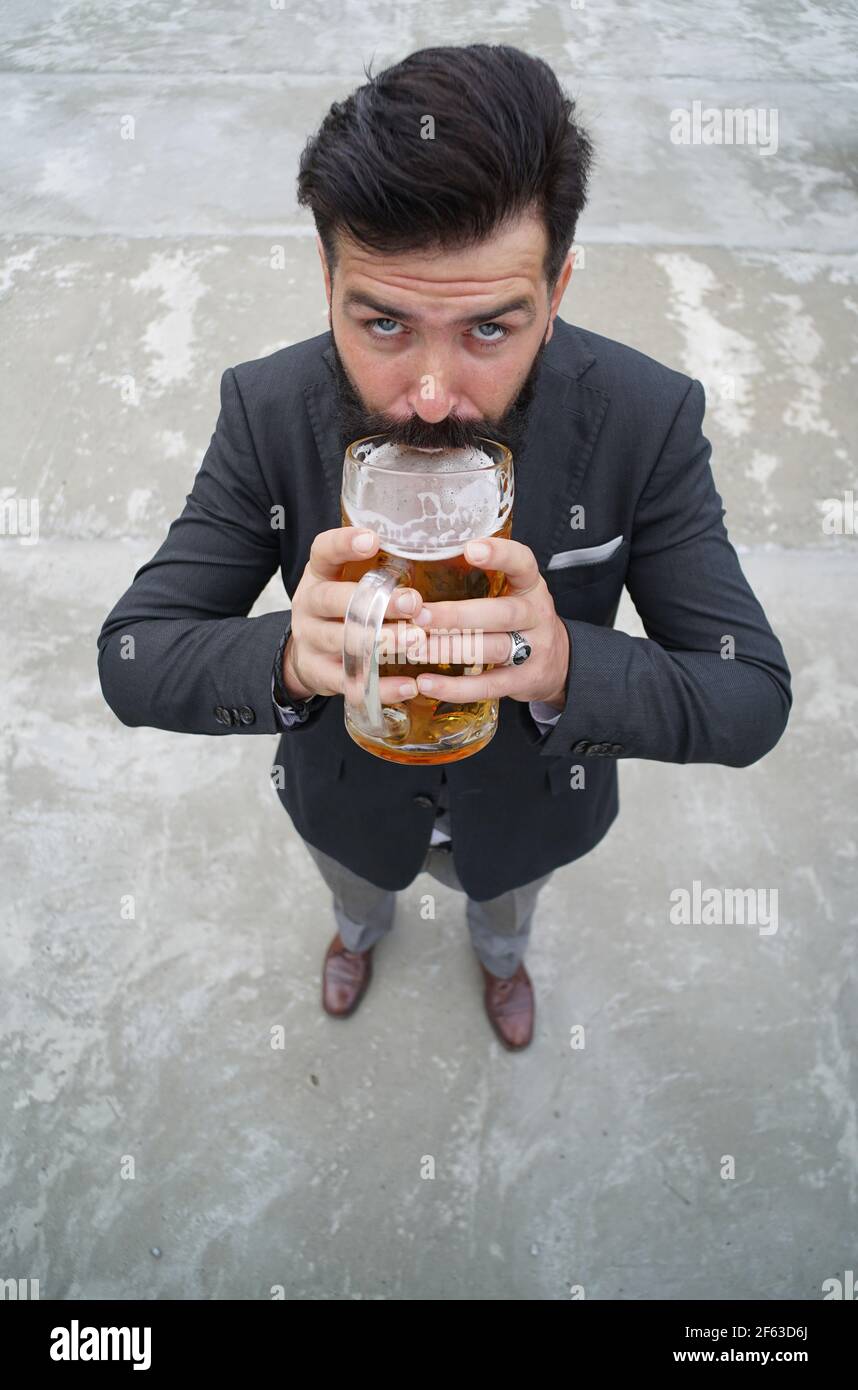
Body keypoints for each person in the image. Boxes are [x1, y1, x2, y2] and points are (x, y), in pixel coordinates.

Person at [96, 44, 793, 1052]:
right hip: (343, 797)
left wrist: (562, 664)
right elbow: (132, 657)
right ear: (325, 280)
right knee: (355, 893)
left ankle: (502, 963)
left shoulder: (646, 418)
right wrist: (289, 656)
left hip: (531, 814)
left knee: (506, 914)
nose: (429, 395)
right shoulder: (268, 407)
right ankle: (356, 932)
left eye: (488, 329)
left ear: (556, 291)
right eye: (381, 323)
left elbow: (749, 695)